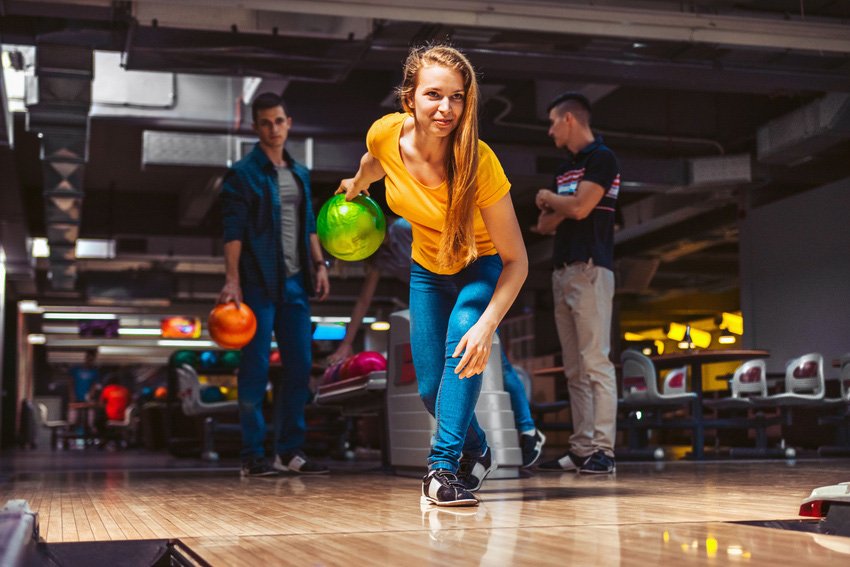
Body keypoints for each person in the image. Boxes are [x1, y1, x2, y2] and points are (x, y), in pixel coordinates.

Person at [338, 45, 528, 506]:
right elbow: (371, 163)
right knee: (428, 390)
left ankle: (441, 471)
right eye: (434, 95)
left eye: (457, 97)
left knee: (464, 338)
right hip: (427, 268)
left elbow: (517, 260)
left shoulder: (479, 162)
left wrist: (486, 326)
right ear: (409, 98)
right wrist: (356, 187)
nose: (446, 109)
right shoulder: (384, 135)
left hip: (480, 265)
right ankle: (479, 449)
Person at [327, 217, 546, 468]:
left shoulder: (402, 228)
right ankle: (476, 448)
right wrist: (347, 343)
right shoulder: (380, 257)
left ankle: (528, 430)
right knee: (434, 385)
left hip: (466, 288)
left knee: (496, 364)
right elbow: (363, 301)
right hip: (438, 301)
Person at [219, 92, 331, 477]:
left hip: (296, 284)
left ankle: (290, 451)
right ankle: (253, 454)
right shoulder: (243, 174)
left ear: (289, 122)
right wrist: (232, 280)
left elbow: (310, 224)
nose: (273, 128)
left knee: (299, 366)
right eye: (265, 122)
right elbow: (232, 231)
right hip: (257, 283)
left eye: (279, 121)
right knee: (254, 369)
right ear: (255, 127)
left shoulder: (299, 173)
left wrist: (319, 264)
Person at [534, 92, 620, 475]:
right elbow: (544, 225)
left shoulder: (602, 158)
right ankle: (582, 448)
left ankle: (604, 449)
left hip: (590, 269)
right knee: (573, 367)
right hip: (562, 270)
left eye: (553, 122)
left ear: (570, 119)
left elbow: (581, 208)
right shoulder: (565, 169)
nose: (550, 130)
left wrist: (553, 199)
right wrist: (562, 206)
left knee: (595, 361)